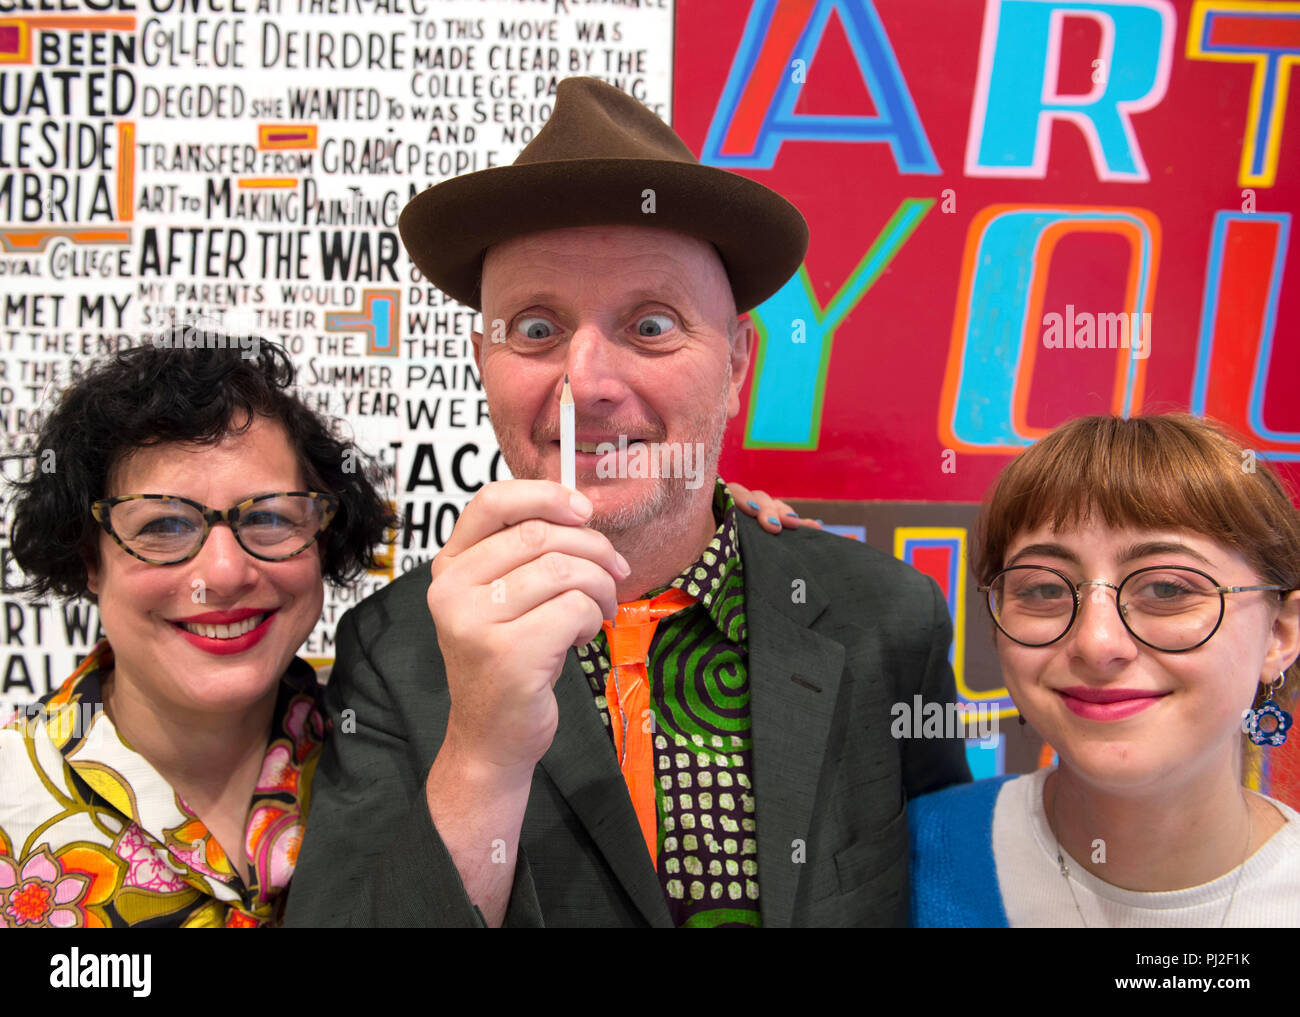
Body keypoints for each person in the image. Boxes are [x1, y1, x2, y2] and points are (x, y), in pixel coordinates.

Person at [287, 76, 971, 928]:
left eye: (651, 326)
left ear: (736, 365)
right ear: (481, 363)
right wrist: (482, 755)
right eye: (536, 329)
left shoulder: (885, 622)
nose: (587, 383)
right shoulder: (394, 650)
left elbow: (955, 896)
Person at [0, 331, 395, 927]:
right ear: (89, 560)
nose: (224, 573)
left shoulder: (397, 768)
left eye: (269, 517)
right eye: (163, 526)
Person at [909, 413, 1300, 927]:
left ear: (1280, 635)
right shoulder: (891, 863)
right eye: (1044, 588)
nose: (1096, 644)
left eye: (1167, 589)